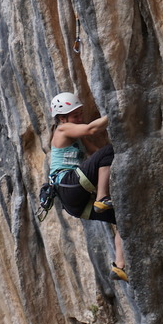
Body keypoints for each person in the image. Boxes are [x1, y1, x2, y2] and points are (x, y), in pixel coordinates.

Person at [48, 92, 127, 281]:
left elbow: (96, 154)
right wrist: (116, 111)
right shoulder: (62, 130)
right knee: (110, 151)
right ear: (62, 118)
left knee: (123, 217)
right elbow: (92, 129)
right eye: (75, 115)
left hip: (74, 203)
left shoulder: (77, 137)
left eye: (80, 114)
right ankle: (101, 198)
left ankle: (119, 266)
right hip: (68, 184)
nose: (80, 118)